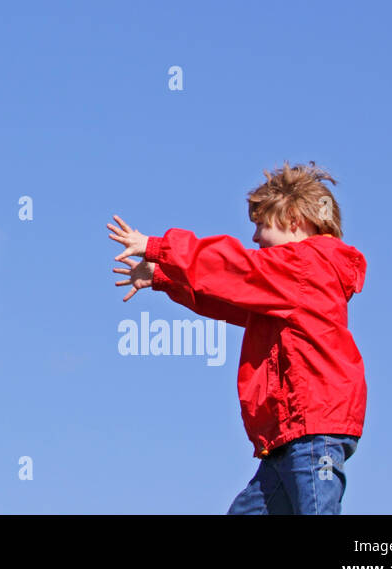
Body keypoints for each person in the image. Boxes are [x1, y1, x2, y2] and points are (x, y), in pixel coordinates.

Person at [107, 162, 367, 514]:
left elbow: (236, 268)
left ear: (294, 219)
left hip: (312, 433)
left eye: (261, 225)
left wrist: (159, 247)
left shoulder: (303, 267)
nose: (256, 237)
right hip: (286, 438)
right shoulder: (286, 282)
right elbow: (231, 294)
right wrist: (165, 277)